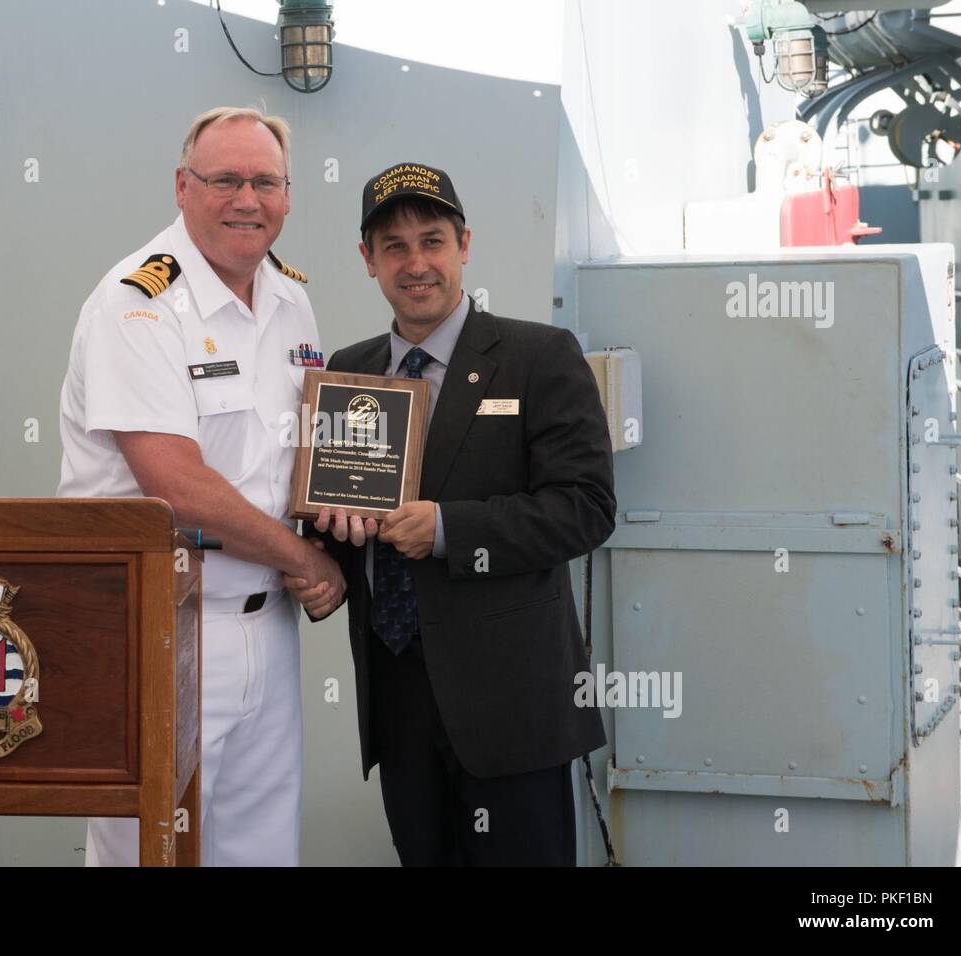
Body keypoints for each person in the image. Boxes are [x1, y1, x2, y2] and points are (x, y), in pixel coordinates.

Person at [288, 162, 615, 866]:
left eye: (431, 241)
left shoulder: (538, 357)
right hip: (398, 692)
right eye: (394, 247)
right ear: (367, 260)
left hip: (510, 703)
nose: (416, 264)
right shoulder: (350, 372)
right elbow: (342, 515)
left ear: (464, 244)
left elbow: (585, 509)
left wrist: (446, 529)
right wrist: (320, 554)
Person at [56, 106, 344, 866]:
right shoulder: (138, 302)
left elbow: (302, 457)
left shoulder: (290, 299)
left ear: (287, 196)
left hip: (268, 630)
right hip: (157, 627)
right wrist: (307, 559)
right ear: (182, 187)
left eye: (265, 182)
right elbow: (175, 489)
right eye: (224, 180)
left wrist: (344, 513)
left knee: (259, 853)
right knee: (146, 854)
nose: (246, 199)